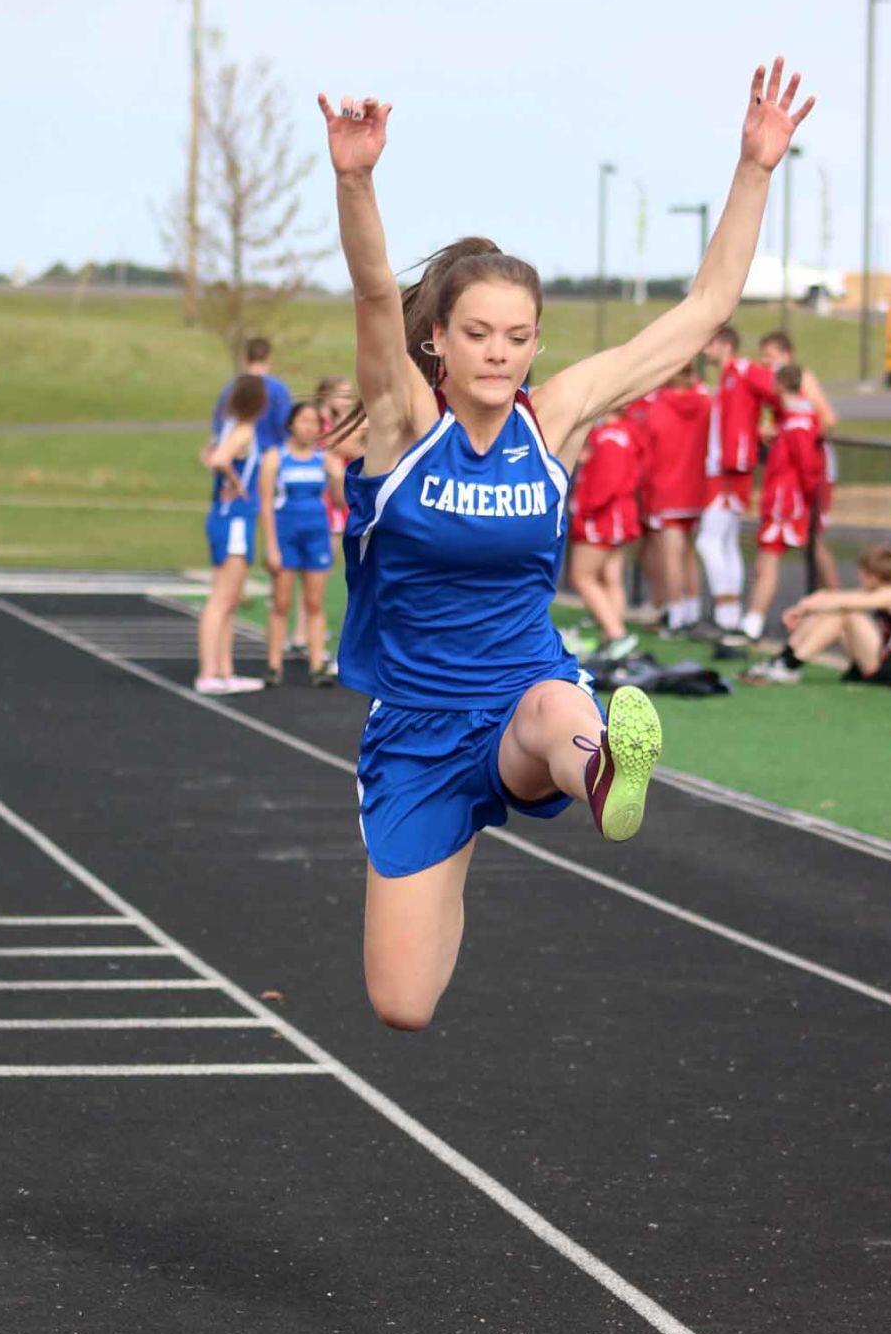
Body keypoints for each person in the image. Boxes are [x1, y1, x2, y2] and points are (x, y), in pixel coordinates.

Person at [317, 57, 812, 1029]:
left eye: (515, 335)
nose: (498, 351)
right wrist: (355, 179)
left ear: (534, 342)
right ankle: (468, 827)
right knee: (402, 1004)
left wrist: (753, 168)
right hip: (416, 730)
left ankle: (603, 767)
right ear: (441, 346)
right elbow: (377, 295)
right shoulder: (400, 426)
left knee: (557, 699)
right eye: (478, 334)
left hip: (520, 703)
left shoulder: (553, 423)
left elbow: (701, 312)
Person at [746, 541, 891, 684]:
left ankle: (790, 666)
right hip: (875, 660)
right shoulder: (877, 592)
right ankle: (783, 661)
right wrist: (801, 609)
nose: (859, 578)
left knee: (848, 614)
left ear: (871, 575)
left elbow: (843, 601)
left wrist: (805, 607)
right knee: (831, 614)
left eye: (861, 573)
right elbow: (830, 596)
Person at [260, 400, 347, 687]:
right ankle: (274, 666)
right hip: (286, 535)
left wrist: (338, 479)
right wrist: (271, 546)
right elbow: (265, 505)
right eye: (304, 421)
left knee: (314, 601)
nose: (309, 427)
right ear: (291, 424)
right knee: (281, 602)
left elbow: (339, 501)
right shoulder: (276, 457)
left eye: (314, 422)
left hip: (316, 535)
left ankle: (316, 664)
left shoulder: (324, 459)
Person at [699, 324, 776, 634]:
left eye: (711, 343)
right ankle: (729, 614)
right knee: (726, 541)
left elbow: (777, 392)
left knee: (709, 541)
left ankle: (725, 612)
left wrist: (773, 424)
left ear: (726, 344)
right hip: (724, 466)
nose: (706, 350)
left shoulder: (743, 370)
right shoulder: (728, 376)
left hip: (732, 469)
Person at [738, 363, 822, 642]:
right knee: (771, 559)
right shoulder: (791, 418)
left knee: (768, 561)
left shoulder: (798, 421)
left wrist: (807, 495)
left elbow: (807, 465)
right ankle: (754, 617)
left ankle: (753, 620)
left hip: (787, 503)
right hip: (783, 500)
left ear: (782, 385)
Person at [196, 373, 267, 696]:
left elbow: (209, 455)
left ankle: (225, 671)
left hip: (223, 518)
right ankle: (209, 672)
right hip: (235, 520)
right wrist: (237, 485)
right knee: (222, 600)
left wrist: (222, 473)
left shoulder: (227, 427)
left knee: (228, 600)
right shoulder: (244, 431)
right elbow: (221, 459)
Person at [637, 363, 712, 635]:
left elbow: (647, 451)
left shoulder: (658, 408)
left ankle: (676, 613)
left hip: (665, 487)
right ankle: (691, 609)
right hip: (696, 486)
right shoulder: (705, 404)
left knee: (670, 554)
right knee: (688, 553)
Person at [568, 414, 642, 662]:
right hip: (619, 513)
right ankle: (614, 640)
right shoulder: (624, 431)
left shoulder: (608, 437)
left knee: (582, 576)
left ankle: (616, 634)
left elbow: (606, 482)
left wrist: (586, 509)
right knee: (611, 578)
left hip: (602, 517)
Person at [210, 336, 293, 457]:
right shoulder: (279, 390)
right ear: (269, 357)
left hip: (237, 455)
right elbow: (285, 425)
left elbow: (219, 425)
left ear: (245, 358)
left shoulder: (231, 388)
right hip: (269, 457)